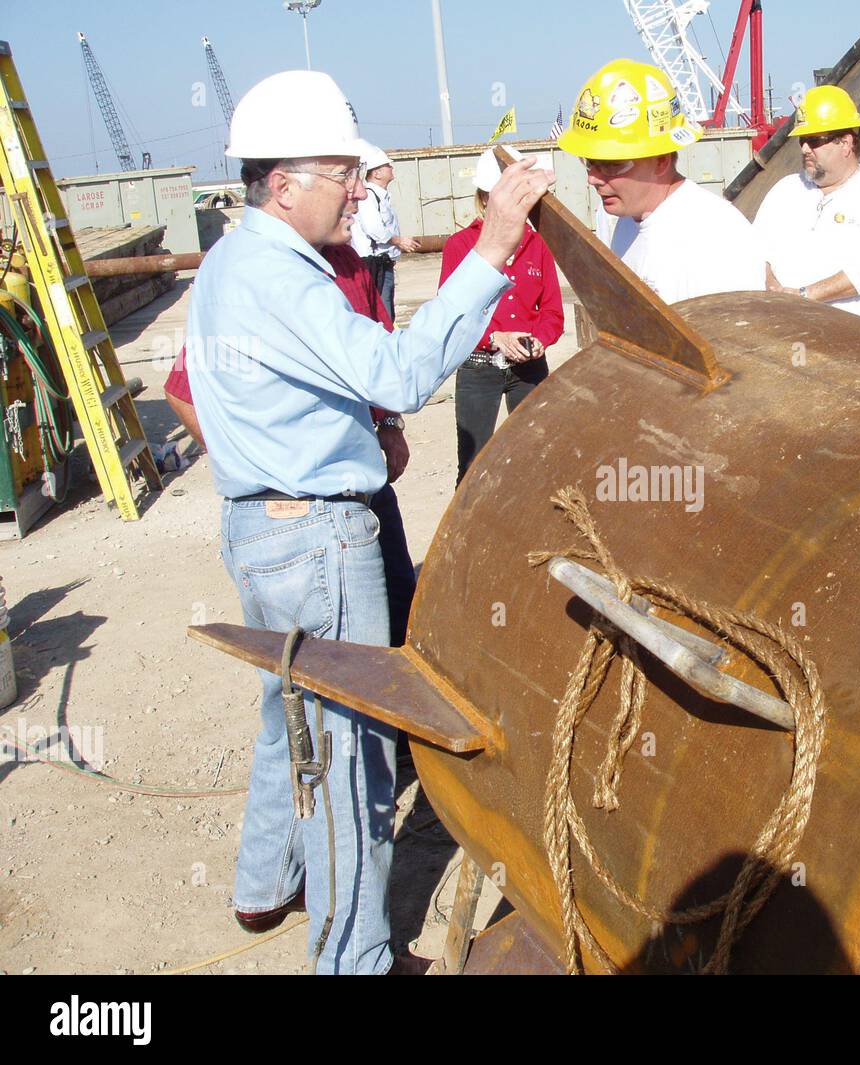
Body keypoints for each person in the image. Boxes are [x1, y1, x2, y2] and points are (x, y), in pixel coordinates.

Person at [185, 69, 550, 975]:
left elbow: (287, 388)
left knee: (293, 715)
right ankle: (356, 960)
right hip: (315, 540)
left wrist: (357, 436)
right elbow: (398, 372)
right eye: (340, 173)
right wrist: (494, 248)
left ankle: (265, 884)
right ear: (282, 184)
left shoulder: (236, 258)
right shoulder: (278, 273)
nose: (359, 189)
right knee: (350, 761)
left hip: (266, 530)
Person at [164, 217, 418, 649]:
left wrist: (390, 425)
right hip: (302, 516)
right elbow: (182, 391)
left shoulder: (349, 266)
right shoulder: (257, 276)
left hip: (364, 492)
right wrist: (254, 460)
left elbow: (384, 357)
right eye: (343, 178)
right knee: (327, 667)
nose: (356, 195)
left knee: (402, 619)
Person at [557, 58, 763, 304]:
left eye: (611, 165)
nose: (593, 178)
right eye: (589, 162)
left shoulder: (715, 235)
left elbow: (739, 335)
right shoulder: (626, 222)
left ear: (661, 161)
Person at [442, 148, 565, 484]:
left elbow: (553, 311)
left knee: (540, 460)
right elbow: (452, 316)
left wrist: (539, 338)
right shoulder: (460, 246)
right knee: (473, 467)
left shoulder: (537, 246)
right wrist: (495, 337)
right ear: (486, 198)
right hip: (479, 369)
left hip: (529, 367)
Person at [752, 85, 860, 321]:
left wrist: (805, 295)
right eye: (802, 140)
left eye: (814, 140)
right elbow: (754, 253)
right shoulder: (784, 190)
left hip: (853, 339)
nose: (804, 149)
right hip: (783, 330)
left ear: (845, 143)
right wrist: (772, 289)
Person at [350, 140, 418, 319]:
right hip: (374, 264)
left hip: (383, 264)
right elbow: (374, 229)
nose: (391, 167)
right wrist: (399, 241)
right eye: (387, 165)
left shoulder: (381, 197)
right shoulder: (368, 196)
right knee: (383, 316)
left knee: (386, 313)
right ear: (377, 173)